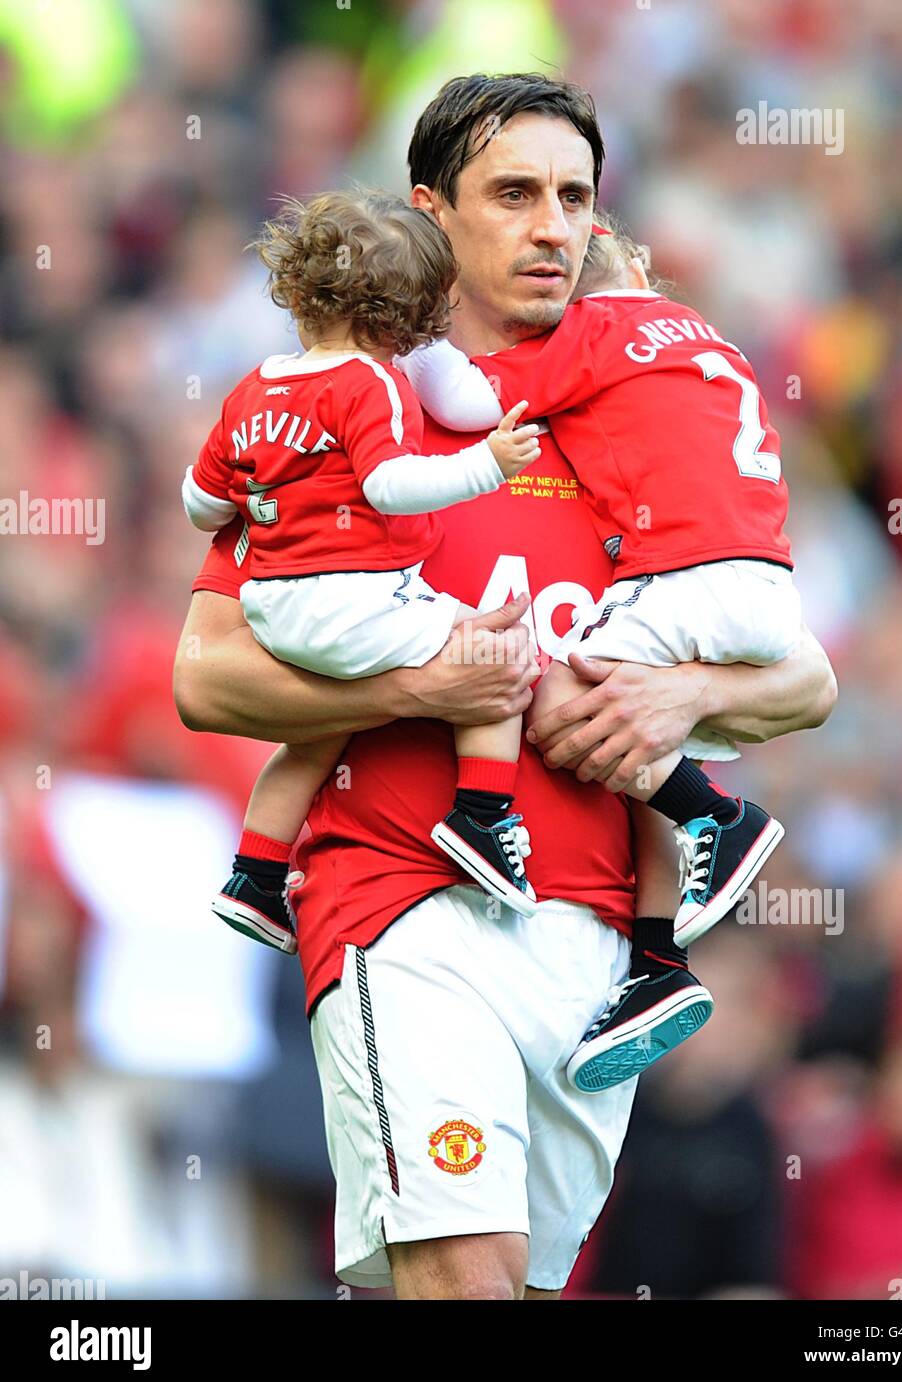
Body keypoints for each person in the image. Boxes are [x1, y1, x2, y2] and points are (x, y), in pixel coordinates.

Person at [173, 72, 837, 1300]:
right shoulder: (351, 403)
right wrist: (428, 682)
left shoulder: (642, 399)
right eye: (514, 193)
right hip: (401, 892)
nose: (551, 226)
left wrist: (678, 696)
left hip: (594, 940)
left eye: (574, 197)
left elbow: (803, 678)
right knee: (465, 1276)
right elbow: (206, 676)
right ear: (431, 211)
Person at [396, 208, 803, 1092]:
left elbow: (472, 400)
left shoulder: (594, 329)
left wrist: (405, 350)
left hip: (682, 571)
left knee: (550, 681)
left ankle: (715, 822)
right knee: (648, 737)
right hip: (762, 582)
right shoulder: (703, 337)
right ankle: (656, 968)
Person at [181, 188, 544, 952]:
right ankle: (480, 821)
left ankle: (253, 875)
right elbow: (387, 485)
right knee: (495, 661)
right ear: (399, 321)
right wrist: (489, 464)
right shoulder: (370, 382)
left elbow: (201, 502)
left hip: (275, 612)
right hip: (353, 600)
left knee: (314, 741)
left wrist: (262, 499)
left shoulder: (257, 385)